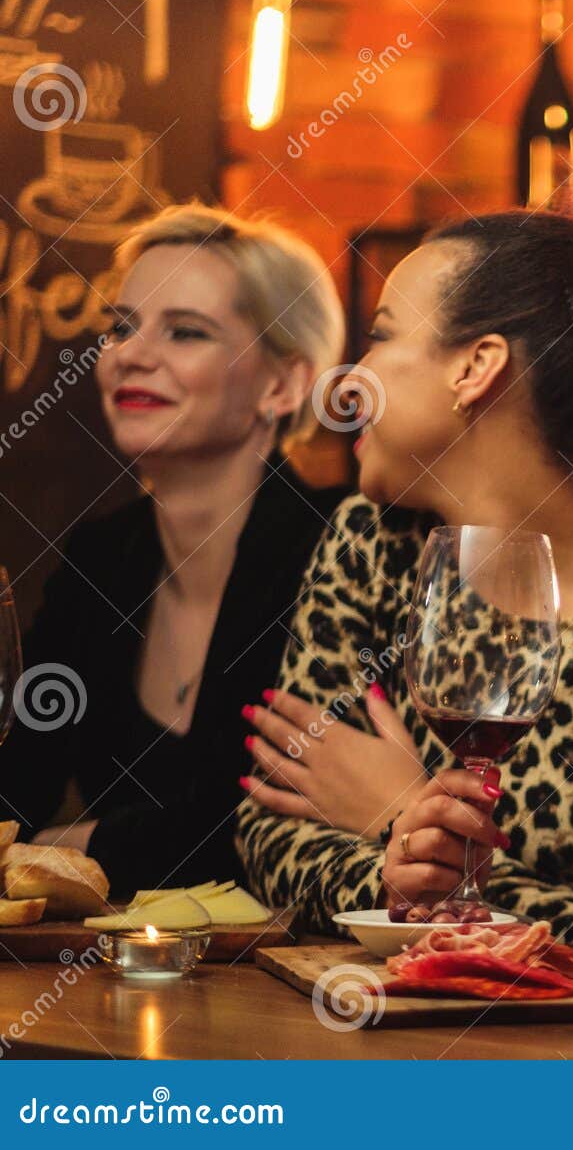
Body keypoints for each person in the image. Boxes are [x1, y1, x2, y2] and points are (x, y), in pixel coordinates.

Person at [234, 171, 573, 940]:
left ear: (476, 366)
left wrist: (412, 814)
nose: (352, 376)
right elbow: (269, 829)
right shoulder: (373, 543)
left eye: (384, 335)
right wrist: (397, 865)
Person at [1, 205, 346, 893]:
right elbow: (15, 791)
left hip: (294, 982)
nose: (131, 353)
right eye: (121, 327)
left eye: (185, 332)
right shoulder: (103, 557)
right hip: (132, 982)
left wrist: (64, 850)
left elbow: (255, 830)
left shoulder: (337, 550)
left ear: (282, 384)